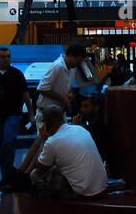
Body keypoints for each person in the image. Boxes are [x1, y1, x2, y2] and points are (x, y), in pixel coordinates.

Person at [14, 41, 90, 181]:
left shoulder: (70, 69)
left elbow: (63, 88)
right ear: (71, 56)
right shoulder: (57, 67)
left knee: (41, 144)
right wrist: (62, 98)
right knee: (43, 145)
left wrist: (68, 95)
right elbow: (42, 88)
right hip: (47, 114)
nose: (78, 64)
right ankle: (27, 175)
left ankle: (23, 174)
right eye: (78, 60)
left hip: (57, 115)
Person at [0, 47, 34, 191]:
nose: (6, 59)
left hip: (13, 114)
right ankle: (7, 176)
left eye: (8, 56)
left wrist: (31, 113)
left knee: (8, 141)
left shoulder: (17, 74)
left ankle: (8, 177)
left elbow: (25, 95)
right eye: (3, 56)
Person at [30, 104, 108, 199]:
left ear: (47, 124)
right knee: (56, 167)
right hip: (102, 187)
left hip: (82, 193)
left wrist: (43, 139)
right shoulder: (80, 129)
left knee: (35, 174)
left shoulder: (51, 142)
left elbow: (39, 165)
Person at [74, 93, 111, 165]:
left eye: (86, 106)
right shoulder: (89, 125)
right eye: (82, 106)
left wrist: (76, 128)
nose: (81, 109)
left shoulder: (100, 129)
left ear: (96, 108)